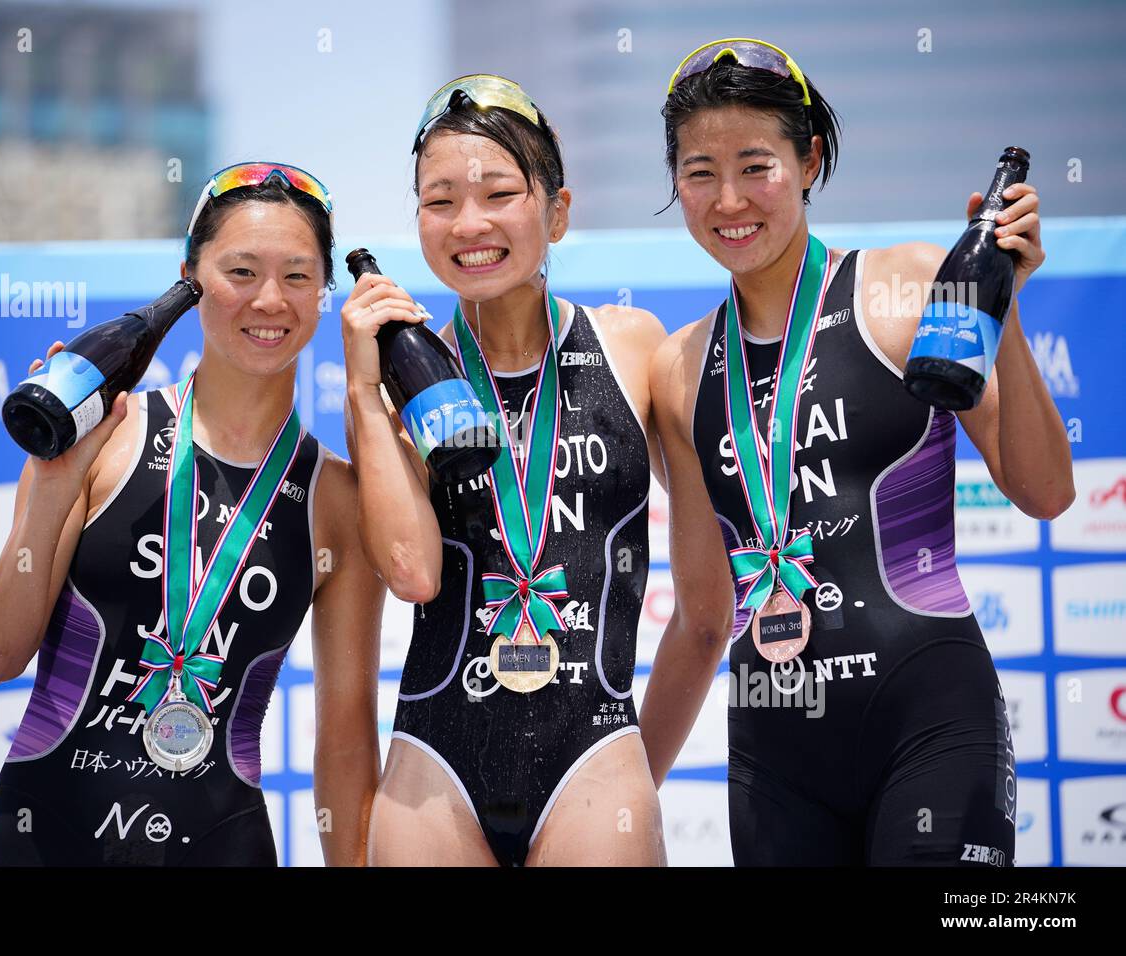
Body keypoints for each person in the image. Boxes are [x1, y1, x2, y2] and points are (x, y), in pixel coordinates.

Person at [652, 39, 1074, 865]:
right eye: (700, 171)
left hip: (931, 724)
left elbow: (1044, 490)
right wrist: (627, 781)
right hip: (773, 758)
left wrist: (1004, 310)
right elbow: (704, 616)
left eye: (755, 164)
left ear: (809, 160)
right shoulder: (678, 369)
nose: (729, 199)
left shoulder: (911, 286)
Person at [343, 74, 733, 866]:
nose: (470, 222)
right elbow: (413, 573)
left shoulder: (629, 345)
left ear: (557, 211)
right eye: (440, 199)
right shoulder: (401, 387)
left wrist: (626, 769)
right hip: (434, 773)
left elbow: (708, 609)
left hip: (595, 763)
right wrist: (361, 389)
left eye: (497, 193)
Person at [0, 162, 383, 866]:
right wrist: (51, 487)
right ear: (190, 278)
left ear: (324, 294)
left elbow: (345, 741)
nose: (270, 301)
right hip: (46, 838)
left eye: (297, 276)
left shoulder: (337, 498)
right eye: (241, 272)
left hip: (223, 845)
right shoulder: (106, 435)